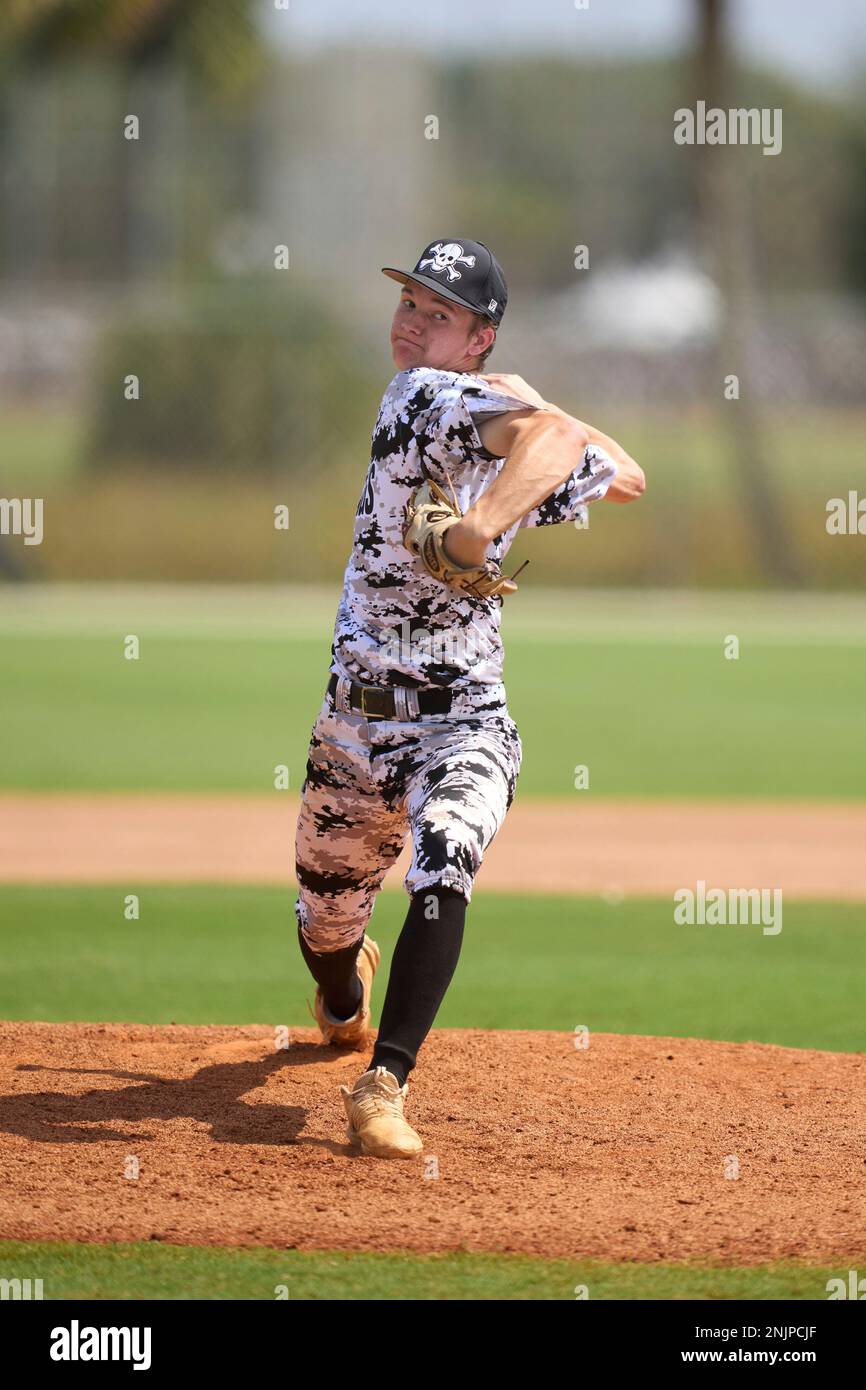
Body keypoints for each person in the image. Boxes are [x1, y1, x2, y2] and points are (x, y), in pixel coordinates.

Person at [293, 237, 645, 1158]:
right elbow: (590, 454)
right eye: (409, 301)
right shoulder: (418, 397)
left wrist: (485, 519)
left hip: (467, 716)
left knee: (447, 853)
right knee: (327, 927)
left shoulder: (499, 430)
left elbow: (616, 469)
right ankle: (343, 993)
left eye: (437, 314)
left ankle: (384, 1086)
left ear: (479, 337)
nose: (410, 322)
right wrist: (527, 411)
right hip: (357, 725)